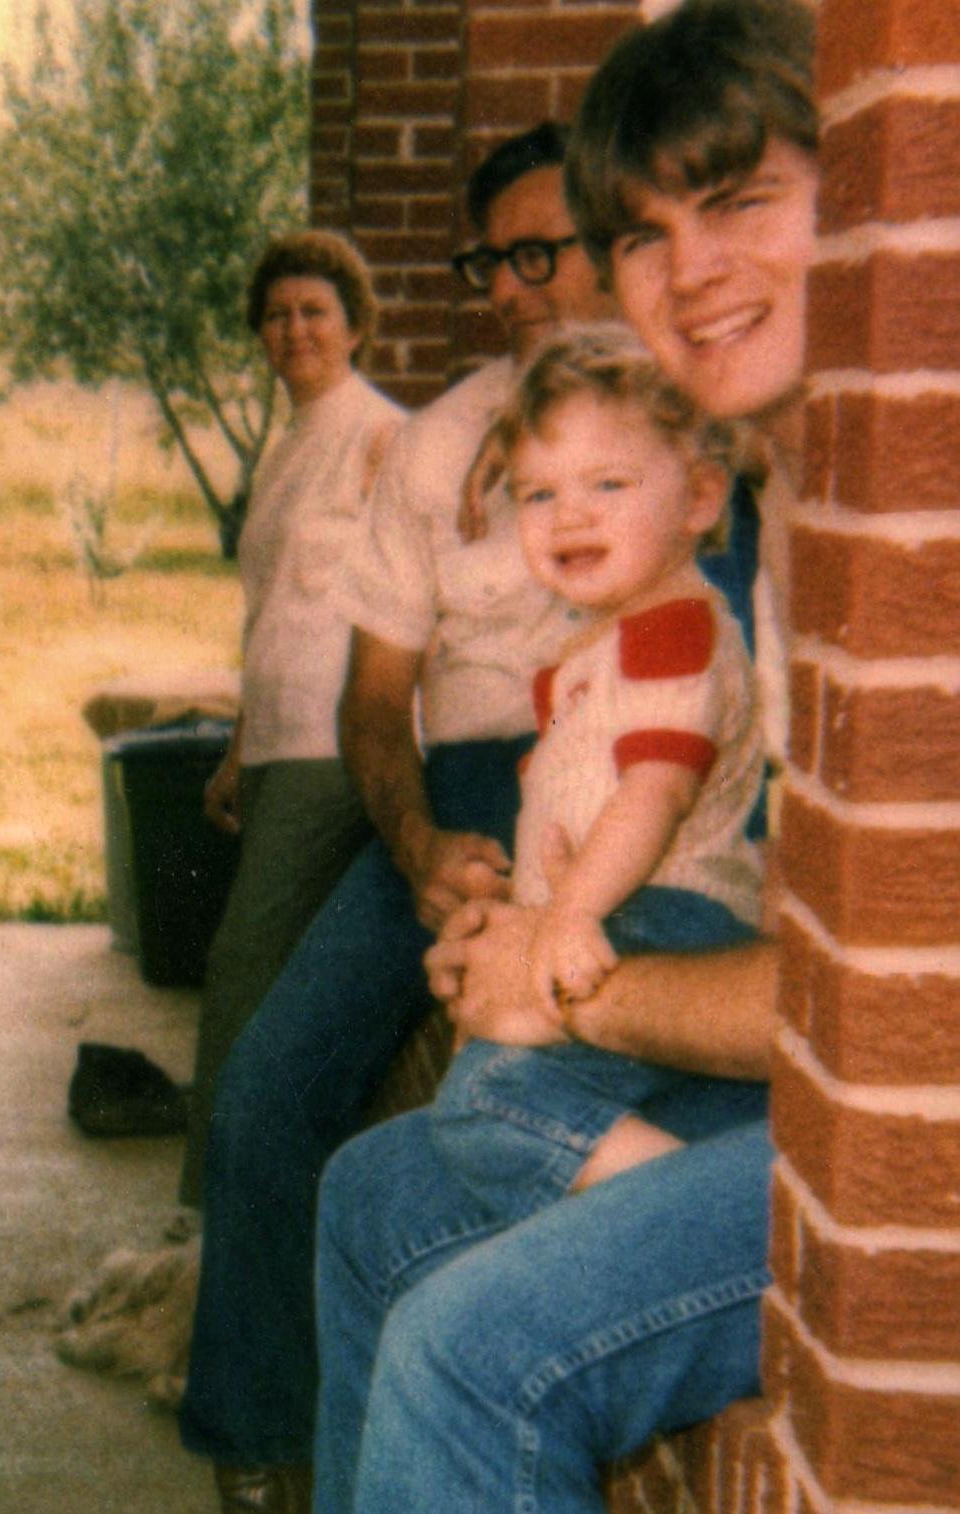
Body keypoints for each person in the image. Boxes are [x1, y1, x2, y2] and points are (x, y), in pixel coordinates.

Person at [313, 3, 817, 1510]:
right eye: (644, 234)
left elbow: (900, 1018)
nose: (692, 271)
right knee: (368, 1190)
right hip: (803, 1055)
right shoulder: (794, 502)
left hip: (901, 1153)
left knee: (468, 1348)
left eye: (736, 201)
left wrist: (560, 975)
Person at [177, 122, 618, 1513]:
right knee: (262, 1089)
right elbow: (375, 701)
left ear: (619, 243)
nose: (508, 287)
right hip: (459, 782)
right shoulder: (439, 441)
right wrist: (418, 840)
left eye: (539, 251)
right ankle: (258, 1441)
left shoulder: (686, 412)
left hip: (624, 778)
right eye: (490, 261)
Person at [427, 323, 765, 1218]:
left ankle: (710, 1215)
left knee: (491, 1101)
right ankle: (647, 1199)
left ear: (697, 497)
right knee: (479, 1095)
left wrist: (565, 919)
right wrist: (527, 915)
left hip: (671, 918)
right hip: (611, 916)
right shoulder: (593, 649)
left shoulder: (672, 631)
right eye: (538, 494)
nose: (568, 515)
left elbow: (656, 790)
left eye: (607, 484)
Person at [175, 232, 405, 1205]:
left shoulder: (385, 437)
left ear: (356, 325)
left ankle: (215, 1209)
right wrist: (236, 749)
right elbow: (271, 612)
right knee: (267, 971)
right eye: (277, 315)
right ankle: (265, 1193)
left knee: (241, 963)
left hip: (331, 745)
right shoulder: (286, 448)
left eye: (315, 310)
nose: (295, 328)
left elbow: (402, 610)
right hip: (274, 739)